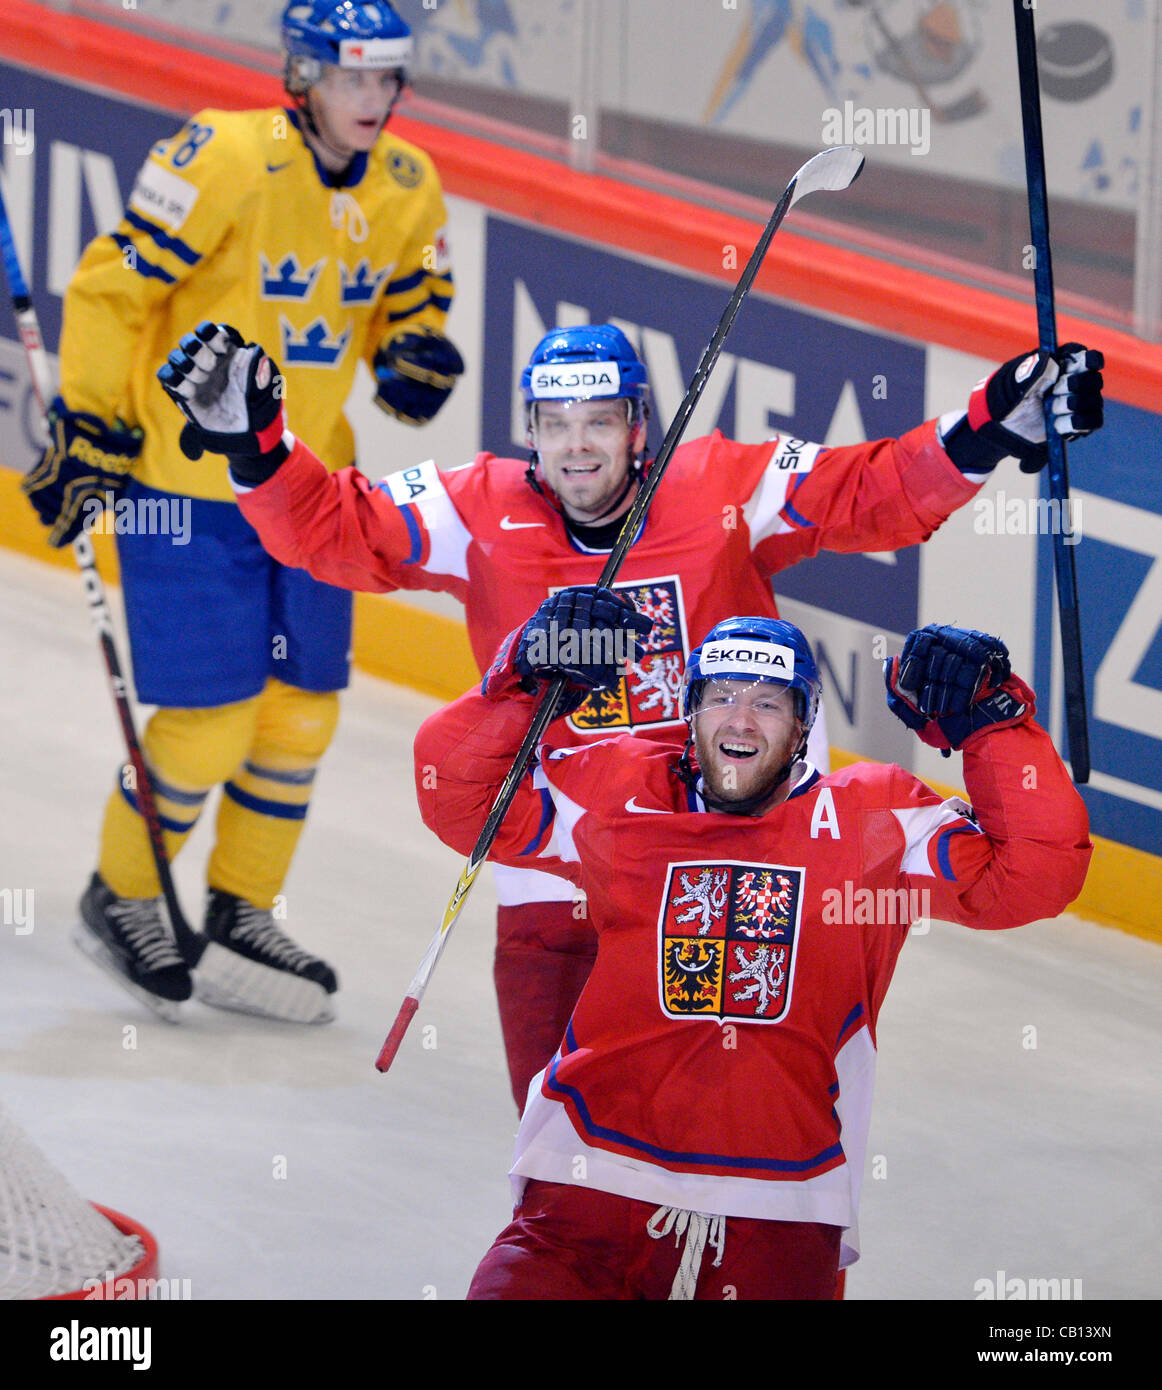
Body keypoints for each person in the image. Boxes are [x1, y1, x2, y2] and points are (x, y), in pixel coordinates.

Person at [154, 318, 1102, 1077]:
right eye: (555, 425)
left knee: (751, 1120)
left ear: (640, 425)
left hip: (746, 853)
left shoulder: (721, 486)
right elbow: (337, 528)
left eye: (599, 422)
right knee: (564, 1154)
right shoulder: (478, 508)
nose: (576, 449)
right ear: (529, 429)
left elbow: (873, 490)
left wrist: (989, 427)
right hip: (560, 861)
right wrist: (259, 449)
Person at [411, 590, 1092, 1299]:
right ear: (690, 713)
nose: (740, 719)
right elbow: (459, 798)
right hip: (588, 1182)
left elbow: (1034, 878)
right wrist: (520, 677)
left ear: (802, 727)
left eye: (769, 702)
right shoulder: (622, 792)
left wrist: (993, 725)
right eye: (722, 697)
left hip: (782, 1207)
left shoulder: (872, 822)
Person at [19, 0, 462, 1025]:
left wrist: (416, 350)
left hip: (313, 492)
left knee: (300, 718)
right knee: (209, 725)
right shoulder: (218, 154)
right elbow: (107, 290)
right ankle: (124, 892)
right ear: (300, 76)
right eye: (354, 79)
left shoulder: (409, 182)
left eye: (388, 79)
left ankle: (242, 906)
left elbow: (412, 299)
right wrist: (89, 424)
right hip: (186, 487)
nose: (375, 100)